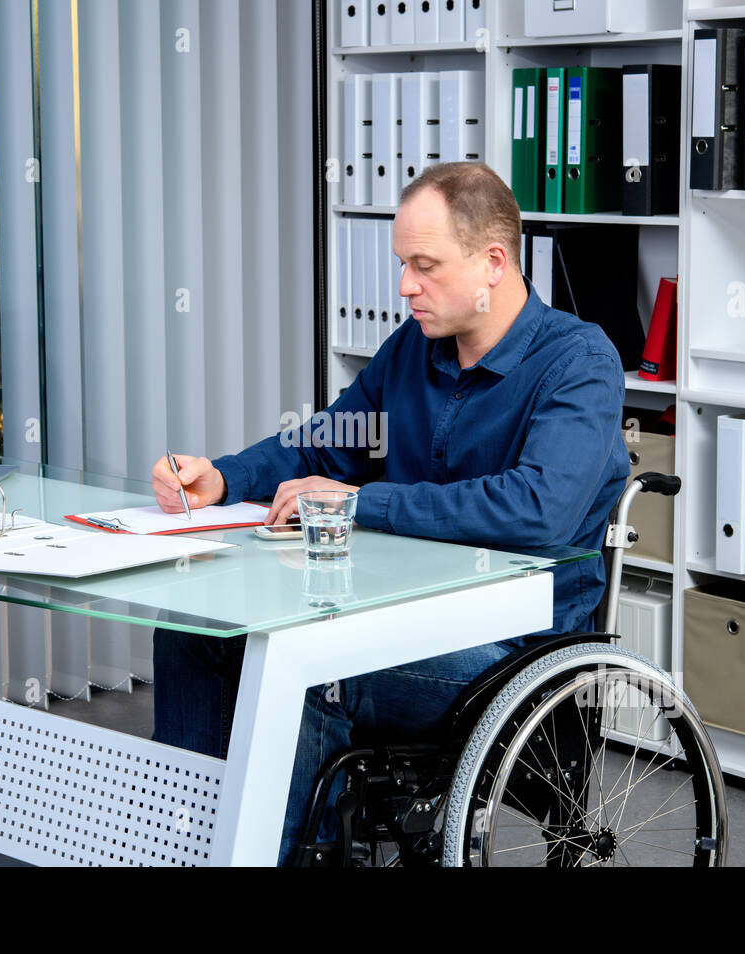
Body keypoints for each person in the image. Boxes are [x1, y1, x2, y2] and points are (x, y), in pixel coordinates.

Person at [149, 161, 630, 865]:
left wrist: (362, 504)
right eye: (404, 264)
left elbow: (540, 511)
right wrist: (223, 478)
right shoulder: (415, 349)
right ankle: (194, 848)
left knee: (305, 662)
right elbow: (329, 444)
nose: (406, 286)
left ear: (493, 262)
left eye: (425, 266)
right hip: (401, 613)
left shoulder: (579, 363)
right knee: (196, 632)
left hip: (512, 652)